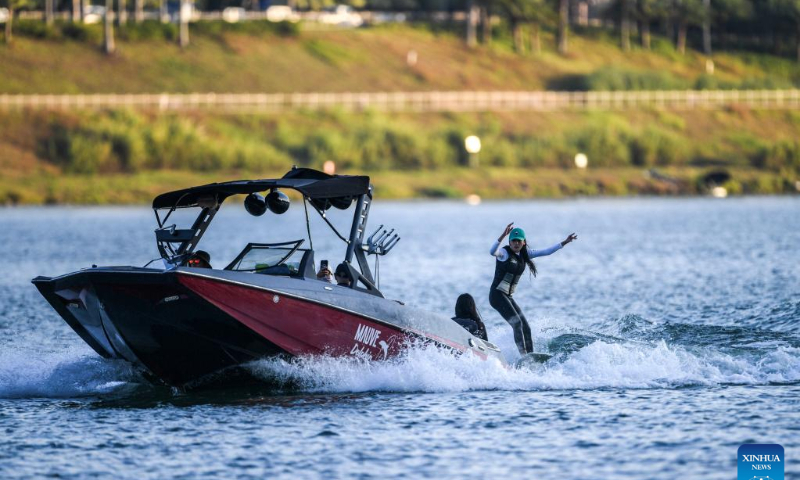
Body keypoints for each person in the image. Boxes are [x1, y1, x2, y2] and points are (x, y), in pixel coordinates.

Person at [489, 223, 576, 355]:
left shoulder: (526, 254)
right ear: (510, 242)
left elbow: (547, 251)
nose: (516, 243)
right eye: (514, 241)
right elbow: (492, 252)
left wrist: (565, 242)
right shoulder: (504, 253)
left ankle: (531, 355)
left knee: (526, 328)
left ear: (524, 242)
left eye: (519, 241)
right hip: (496, 295)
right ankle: (523, 356)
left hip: (507, 296)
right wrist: (502, 235)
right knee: (516, 323)